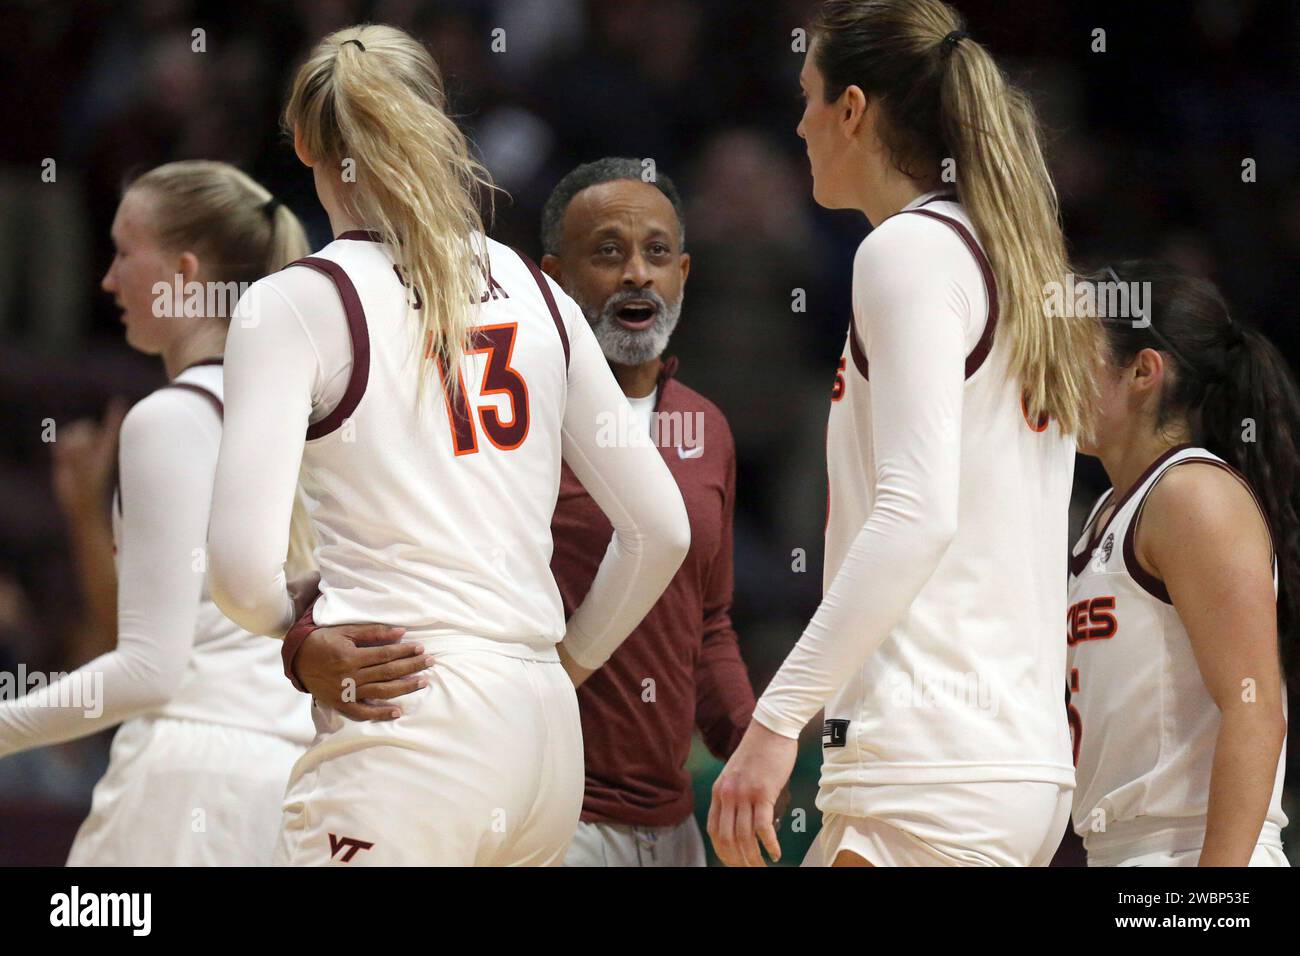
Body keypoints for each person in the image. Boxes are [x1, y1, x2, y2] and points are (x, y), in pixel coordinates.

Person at [207, 25, 690, 866]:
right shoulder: (540, 291)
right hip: (540, 733)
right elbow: (662, 531)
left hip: (405, 718)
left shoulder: (293, 304)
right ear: (436, 122)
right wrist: (564, 662)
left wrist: (297, 641)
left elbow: (240, 575)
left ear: (304, 143)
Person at [708, 0, 1102, 867]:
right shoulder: (1010, 257)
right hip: (1006, 761)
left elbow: (916, 513)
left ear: (853, 110)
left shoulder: (909, 252)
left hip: (931, 763)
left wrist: (774, 727)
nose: (799, 123)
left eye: (810, 98)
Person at [0, 160, 315, 865]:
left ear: (184, 270)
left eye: (123, 251)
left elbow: (151, 669)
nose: (108, 279)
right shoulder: (313, 412)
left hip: (191, 780)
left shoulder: (168, 419)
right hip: (302, 781)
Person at [1068, 261, 1295, 867]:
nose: (1055, 373)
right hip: (1119, 853)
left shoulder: (1192, 495)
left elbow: (1255, 707)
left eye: (1075, 353)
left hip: (1197, 855)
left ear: (1143, 371)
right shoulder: (1106, 512)